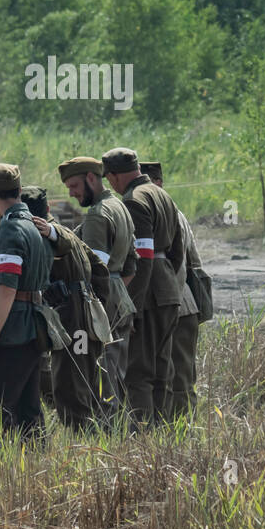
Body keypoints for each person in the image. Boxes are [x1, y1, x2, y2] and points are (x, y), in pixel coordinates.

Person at [101, 148, 184, 425]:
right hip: (169, 290)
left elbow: (142, 259)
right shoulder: (162, 194)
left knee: (138, 372)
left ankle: (144, 438)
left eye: (109, 178)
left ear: (114, 176)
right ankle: (164, 434)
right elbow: (177, 250)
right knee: (162, 370)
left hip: (148, 295)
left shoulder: (134, 200)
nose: (110, 184)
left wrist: (131, 308)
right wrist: (168, 279)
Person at [22, 186, 109, 429]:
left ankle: (83, 442)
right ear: (48, 208)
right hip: (83, 314)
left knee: (71, 384)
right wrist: (95, 308)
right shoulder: (68, 234)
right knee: (82, 380)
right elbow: (100, 270)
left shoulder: (45, 236)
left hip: (71, 318)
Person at [58, 156, 137, 417]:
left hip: (102, 304)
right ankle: (118, 433)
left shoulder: (97, 216)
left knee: (103, 379)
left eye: (74, 186)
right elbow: (131, 265)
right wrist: (116, 292)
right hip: (121, 300)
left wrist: (95, 310)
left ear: (91, 178)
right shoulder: (119, 206)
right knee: (116, 376)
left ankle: (106, 438)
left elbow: (94, 271)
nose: (71, 194)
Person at [0, 164, 52, 436]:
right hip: (33, 325)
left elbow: (7, 288)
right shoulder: (35, 226)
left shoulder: (10, 230)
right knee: (28, 410)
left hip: (15, 331)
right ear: (19, 191)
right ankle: (35, 464)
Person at [140, 161, 204, 417]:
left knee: (179, 380)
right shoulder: (171, 211)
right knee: (170, 377)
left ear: (158, 183)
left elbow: (185, 264)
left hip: (175, 305)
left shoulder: (168, 214)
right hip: (176, 303)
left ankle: (182, 435)